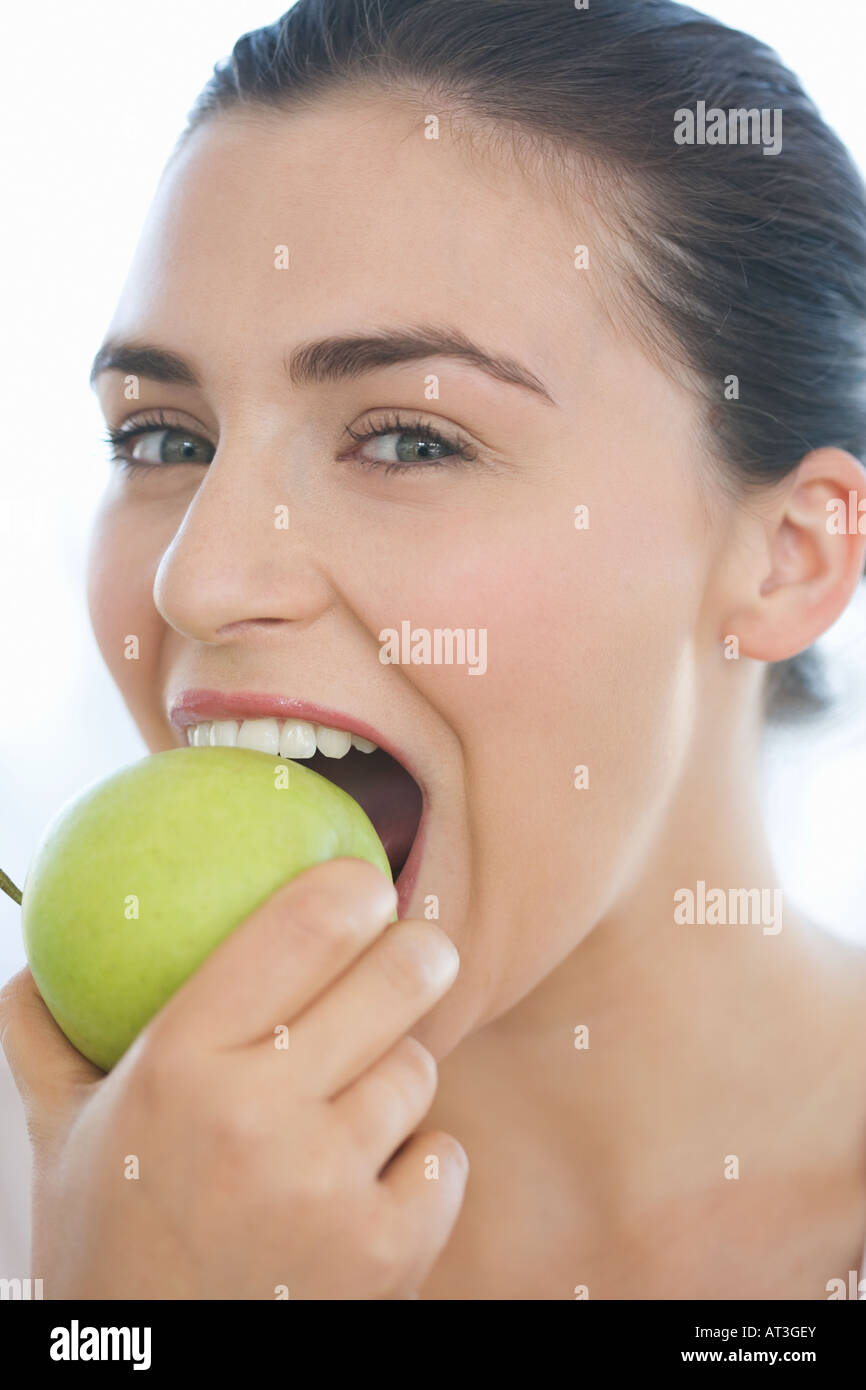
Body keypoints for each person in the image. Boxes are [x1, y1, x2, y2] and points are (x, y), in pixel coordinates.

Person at [3, 0, 866, 1299]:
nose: (199, 578)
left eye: (410, 439)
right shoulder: (54, 1208)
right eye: (164, 439)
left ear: (790, 555)